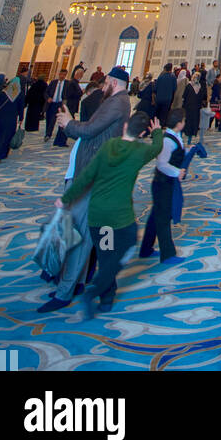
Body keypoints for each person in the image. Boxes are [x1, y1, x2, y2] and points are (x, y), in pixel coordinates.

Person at [38, 66, 132, 314]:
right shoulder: (119, 102)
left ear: (112, 81)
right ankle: (75, 285)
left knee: (79, 233)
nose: (102, 87)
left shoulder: (116, 103)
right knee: (85, 235)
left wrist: (69, 124)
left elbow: (90, 130)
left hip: (95, 176)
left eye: (104, 83)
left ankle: (66, 291)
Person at [59, 111, 165, 317]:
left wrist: (65, 198)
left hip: (99, 216)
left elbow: (86, 175)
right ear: (143, 134)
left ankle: (106, 298)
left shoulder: (108, 146)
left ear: (125, 127)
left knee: (106, 255)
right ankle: (98, 291)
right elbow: (157, 147)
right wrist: (158, 132)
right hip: (120, 219)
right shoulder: (139, 152)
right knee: (123, 247)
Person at [139, 109, 185, 264]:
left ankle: (146, 249)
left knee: (155, 216)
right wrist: (177, 171)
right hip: (163, 183)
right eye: (183, 120)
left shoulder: (175, 137)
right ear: (178, 123)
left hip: (167, 182)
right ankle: (168, 254)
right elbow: (162, 164)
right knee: (163, 217)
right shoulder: (167, 140)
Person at [182, 73, 203, 142]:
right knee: (190, 122)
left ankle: (189, 138)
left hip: (191, 107)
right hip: (192, 108)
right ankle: (188, 137)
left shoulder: (195, 86)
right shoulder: (194, 86)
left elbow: (184, 96)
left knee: (190, 122)